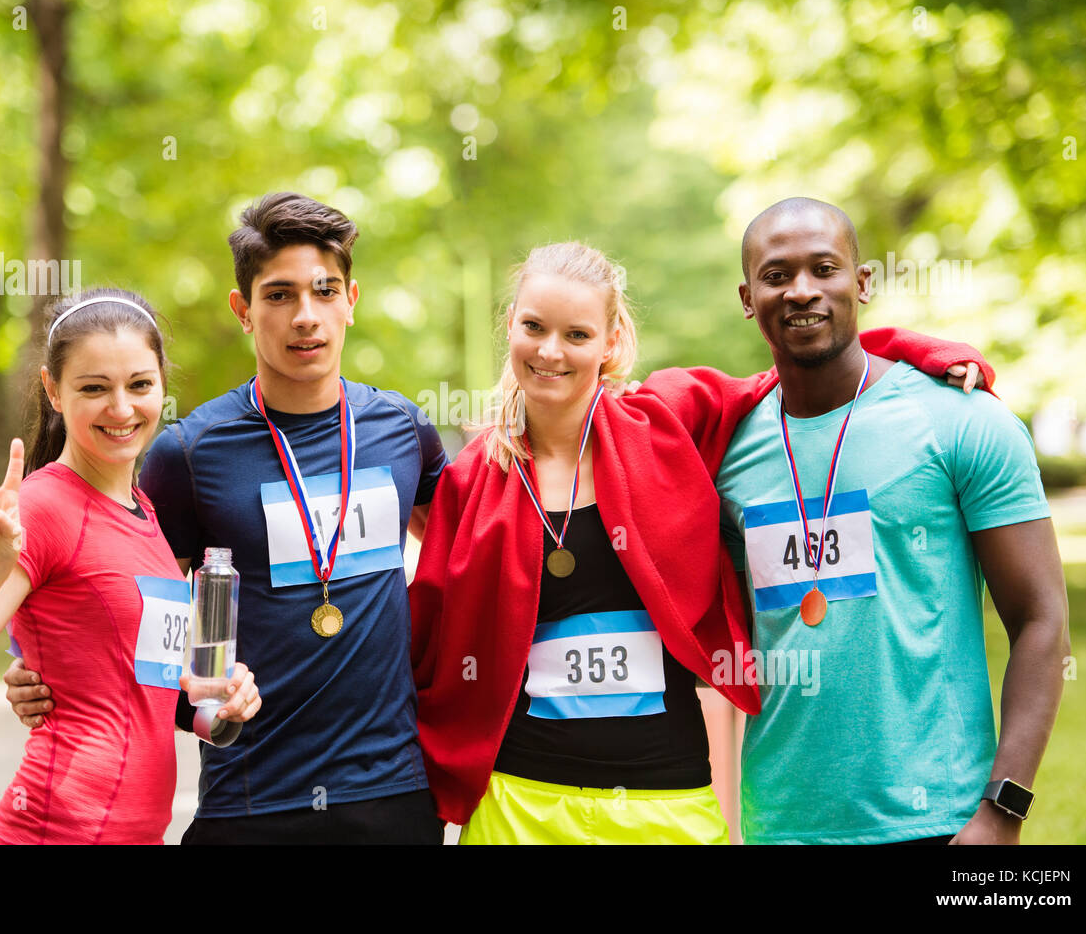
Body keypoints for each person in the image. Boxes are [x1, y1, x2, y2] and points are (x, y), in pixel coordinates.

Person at [408, 241, 993, 844]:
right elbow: (429, 638)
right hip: (519, 804)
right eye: (534, 327)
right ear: (512, 327)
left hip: (667, 799)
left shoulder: (664, 420)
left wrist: (920, 350)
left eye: (576, 334)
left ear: (610, 342)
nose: (550, 351)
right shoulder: (472, 478)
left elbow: (794, 368)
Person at [6, 194, 448, 844]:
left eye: (325, 291)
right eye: (279, 295)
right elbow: (129, 603)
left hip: (395, 793)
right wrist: (47, 669)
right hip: (251, 797)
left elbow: (472, 564)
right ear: (242, 309)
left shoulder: (403, 430)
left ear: (351, 298)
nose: (306, 317)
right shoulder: (187, 453)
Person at [714, 197, 1068, 844]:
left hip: (942, 825)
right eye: (776, 275)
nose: (801, 291)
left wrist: (1002, 810)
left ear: (863, 282)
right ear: (747, 297)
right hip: (780, 827)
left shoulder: (963, 422)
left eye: (824, 268)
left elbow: (1042, 620)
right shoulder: (727, 452)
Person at [0, 289, 260, 844]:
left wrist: (221, 708)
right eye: (94, 388)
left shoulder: (145, 514)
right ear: (52, 389)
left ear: (162, 385)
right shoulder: (43, 507)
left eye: (139, 385)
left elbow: (139, 690)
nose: (121, 409)